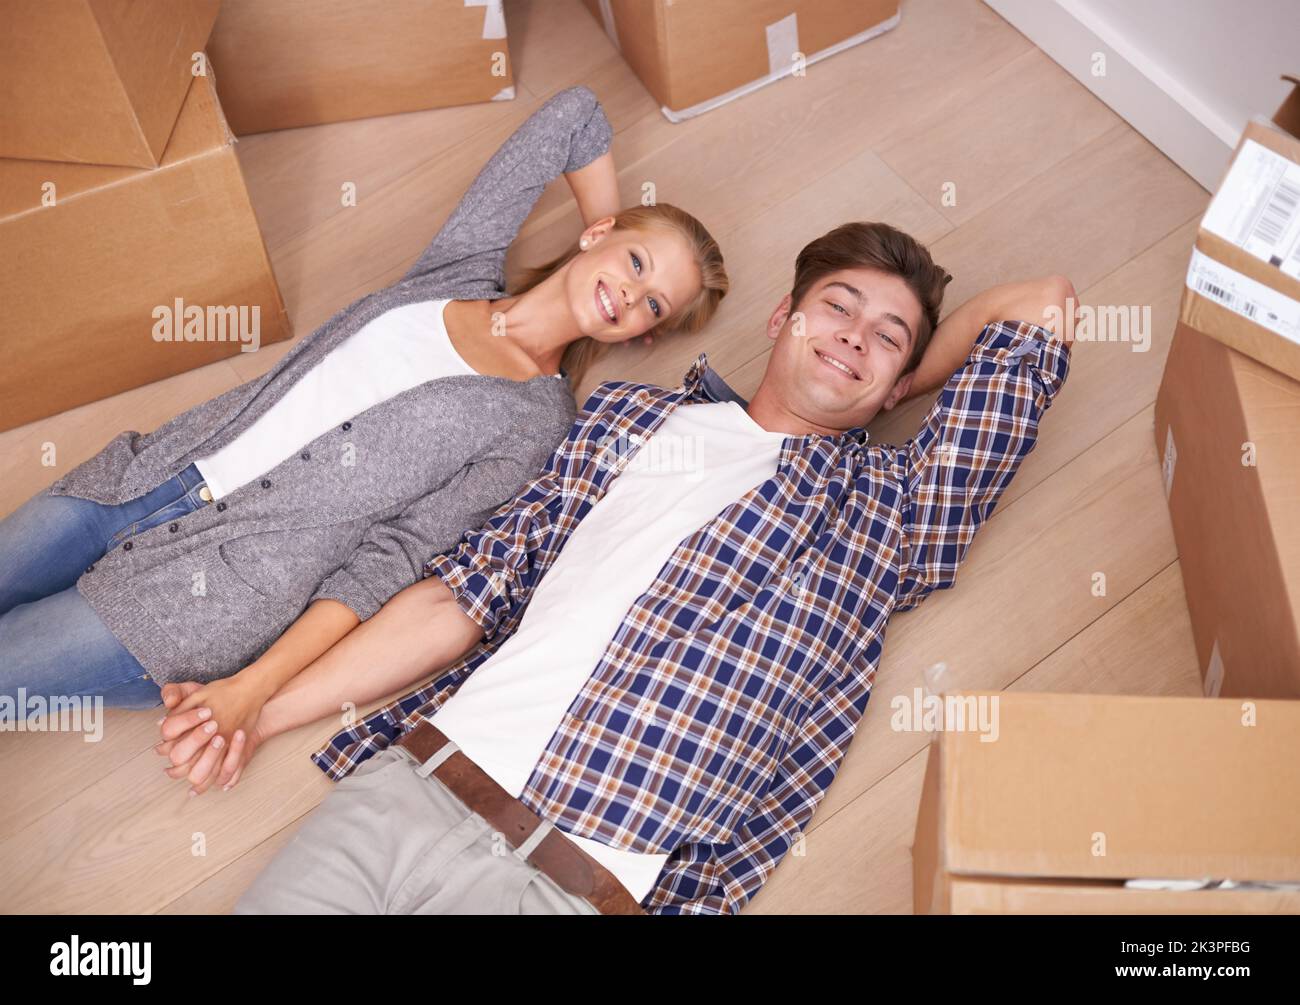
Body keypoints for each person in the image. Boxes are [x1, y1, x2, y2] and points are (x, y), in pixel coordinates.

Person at [166, 220, 1075, 915]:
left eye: (888, 337)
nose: (854, 336)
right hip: (410, 788)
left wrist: (890, 387)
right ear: (782, 317)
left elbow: (1041, 303)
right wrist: (258, 707)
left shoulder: (894, 512)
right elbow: (464, 593)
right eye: (837, 307)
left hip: (570, 888)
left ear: (902, 381)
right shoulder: (625, 420)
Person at [0, 85, 728, 722]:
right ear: (600, 234)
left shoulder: (536, 423)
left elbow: (394, 558)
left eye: (650, 304)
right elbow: (576, 115)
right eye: (636, 263)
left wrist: (254, 690)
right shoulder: (457, 268)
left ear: (643, 333)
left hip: (203, 601)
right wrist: (604, 234)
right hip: (141, 476)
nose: (631, 293)